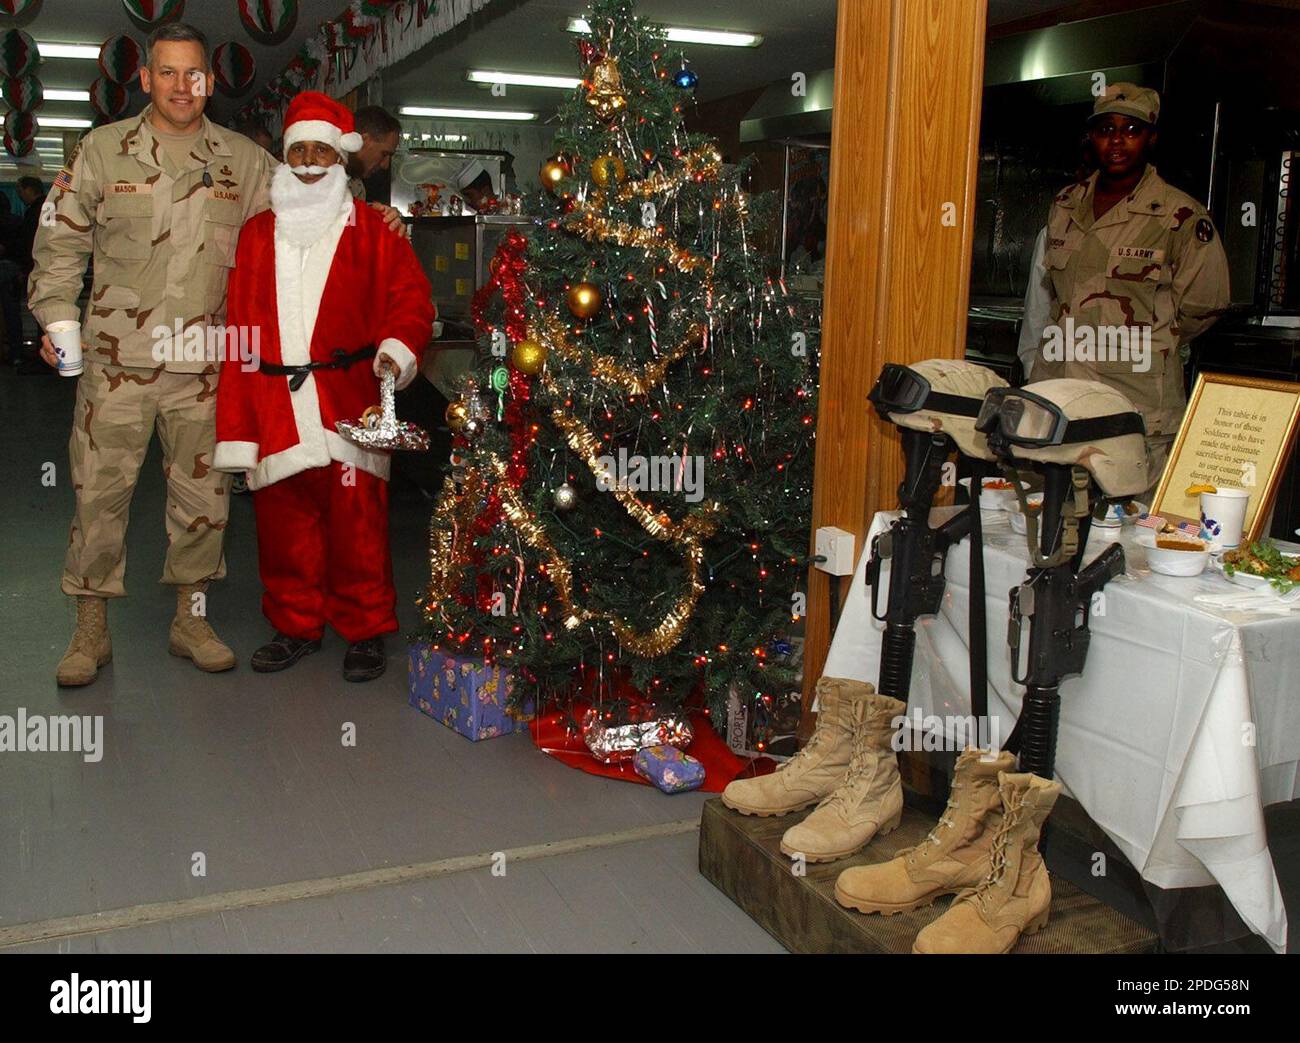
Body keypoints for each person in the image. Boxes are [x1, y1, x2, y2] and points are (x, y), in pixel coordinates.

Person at [28, 22, 275, 686]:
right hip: (115, 366)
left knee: (203, 503)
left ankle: (190, 621)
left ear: (210, 81)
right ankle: (91, 628)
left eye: (193, 73)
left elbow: (305, 214)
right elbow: (59, 244)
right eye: (167, 72)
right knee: (98, 499)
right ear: (145, 78)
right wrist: (56, 320)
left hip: (204, 367)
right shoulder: (102, 151)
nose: (180, 86)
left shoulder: (243, 161)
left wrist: (370, 215)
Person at [212, 92, 435, 683]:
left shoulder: (376, 230)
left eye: (322, 151)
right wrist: (238, 420)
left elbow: (411, 302)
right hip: (275, 405)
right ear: (285, 159)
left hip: (349, 405)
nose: (310, 162)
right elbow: (239, 330)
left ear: (341, 159)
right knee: (283, 528)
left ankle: (365, 629)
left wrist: (395, 350)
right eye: (299, 151)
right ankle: (295, 625)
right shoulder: (255, 235)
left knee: (358, 527)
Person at [1028, 82, 1230, 491]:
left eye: (1132, 130)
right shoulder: (1065, 205)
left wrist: (1151, 342)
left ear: (1151, 138)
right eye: (1106, 129)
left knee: (1129, 517)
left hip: (1134, 401)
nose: (1117, 141)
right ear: (1092, 137)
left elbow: (1204, 304)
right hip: (1060, 393)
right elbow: (1056, 296)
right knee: (1048, 513)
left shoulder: (1179, 215)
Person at [345, 105, 401, 202]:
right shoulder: (321, 178)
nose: (385, 165)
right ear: (363, 140)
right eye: (384, 154)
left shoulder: (357, 187)